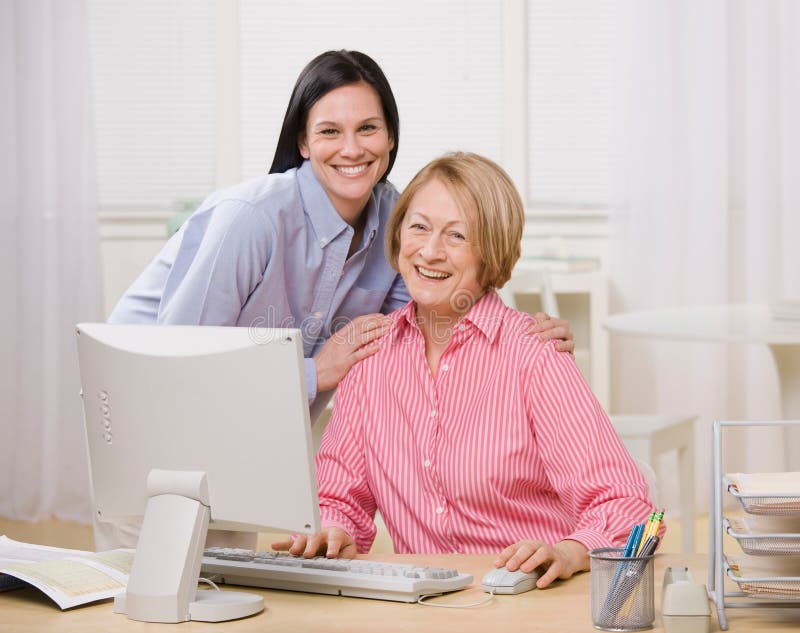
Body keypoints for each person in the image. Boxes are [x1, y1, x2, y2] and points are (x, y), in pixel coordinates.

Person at [107, 50, 573, 420]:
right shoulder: (249, 218)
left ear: (391, 138)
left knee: (227, 542)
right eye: (330, 131)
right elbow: (179, 363)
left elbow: (423, 328)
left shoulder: (401, 219)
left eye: (368, 128)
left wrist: (523, 340)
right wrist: (317, 371)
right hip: (152, 406)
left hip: (254, 423)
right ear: (304, 143)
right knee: (161, 541)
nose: (352, 149)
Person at [275, 153, 659, 589]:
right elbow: (339, 495)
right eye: (419, 227)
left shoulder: (535, 355)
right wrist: (334, 529)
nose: (430, 251)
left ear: (491, 252)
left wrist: (569, 552)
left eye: (456, 235)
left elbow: (627, 506)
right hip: (427, 606)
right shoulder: (371, 358)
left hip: (532, 601)